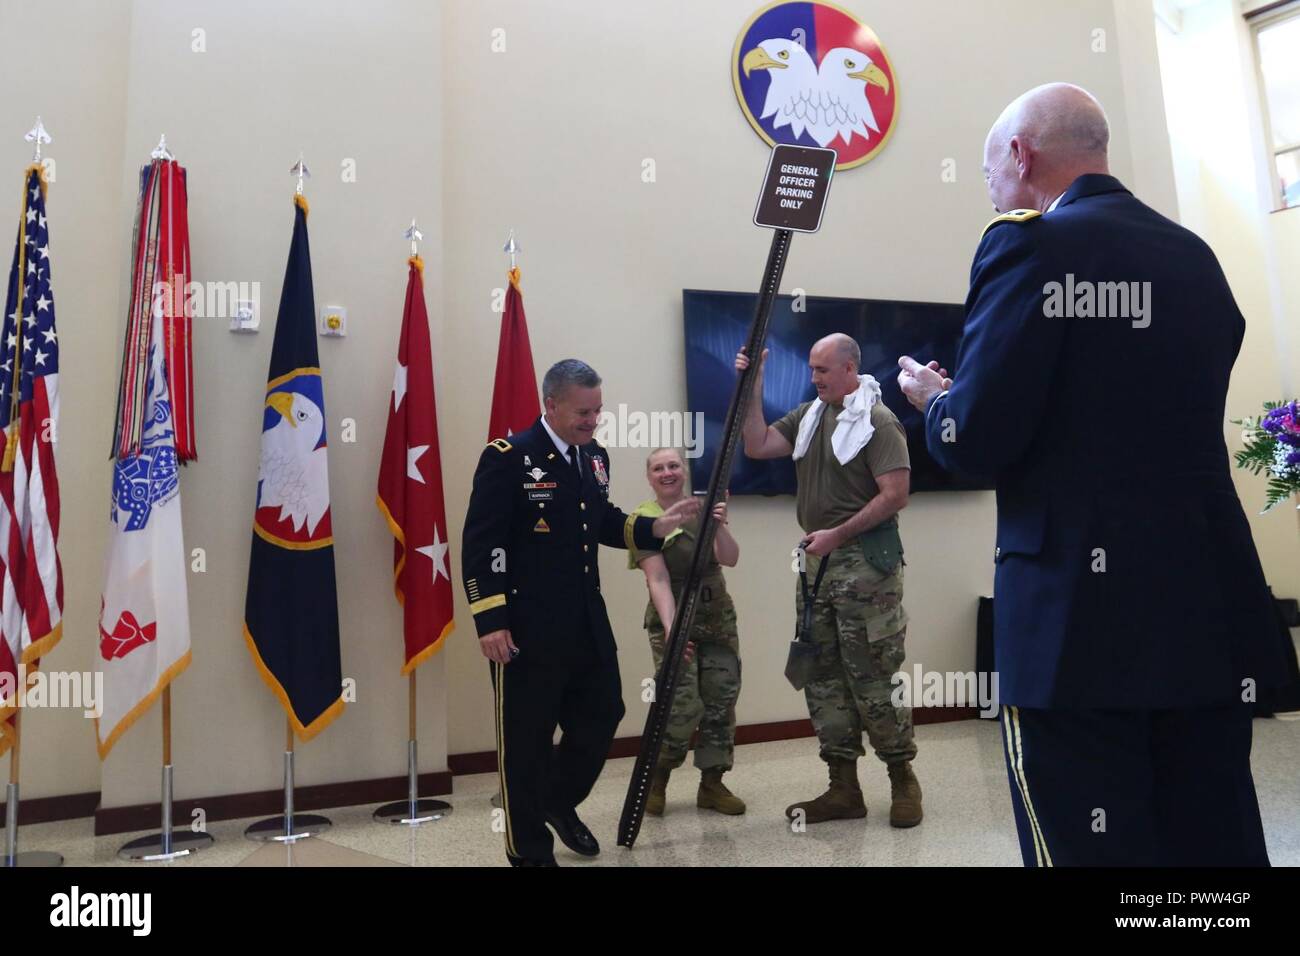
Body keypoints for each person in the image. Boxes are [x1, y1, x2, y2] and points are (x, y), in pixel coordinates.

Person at [898, 82, 1284, 866]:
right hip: (1206, 606)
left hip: (1075, 621)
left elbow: (978, 440)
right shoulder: (1194, 255)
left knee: (1089, 845)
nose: (990, 188)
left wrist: (938, 402)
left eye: (987, 171)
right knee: (1210, 844)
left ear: (1020, 154)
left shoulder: (1030, 245)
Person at [462, 359, 699, 866]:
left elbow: (602, 520)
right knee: (526, 742)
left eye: (597, 411)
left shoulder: (593, 456)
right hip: (524, 627)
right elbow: (481, 545)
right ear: (551, 405)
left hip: (585, 619)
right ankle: (530, 853)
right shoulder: (509, 457)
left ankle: (556, 800)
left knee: (604, 712)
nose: (593, 421)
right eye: (583, 412)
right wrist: (490, 620)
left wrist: (653, 528)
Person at [737, 333, 922, 828]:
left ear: (850, 369)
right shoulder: (810, 416)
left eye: (822, 369)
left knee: (872, 677)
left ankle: (903, 780)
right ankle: (843, 789)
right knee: (822, 676)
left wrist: (838, 534)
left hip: (866, 565)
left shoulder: (879, 421)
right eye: (812, 369)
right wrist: (753, 383)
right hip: (817, 565)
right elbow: (756, 444)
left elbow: (896, 494)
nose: (814, 377)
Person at [629, 448, 745, 817]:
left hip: (717, 616)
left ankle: (712, 784)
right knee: (680, 703)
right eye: (658, 468)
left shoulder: (704, 508)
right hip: (673, 616)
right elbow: (658, 579)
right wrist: (673, 631)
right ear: (649, 477)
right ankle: (657, 778)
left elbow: (730, 559)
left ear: (684, 471)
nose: (667, 472)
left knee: (721, 698)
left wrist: (719, 525)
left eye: (674, 465)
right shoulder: (644, 520)